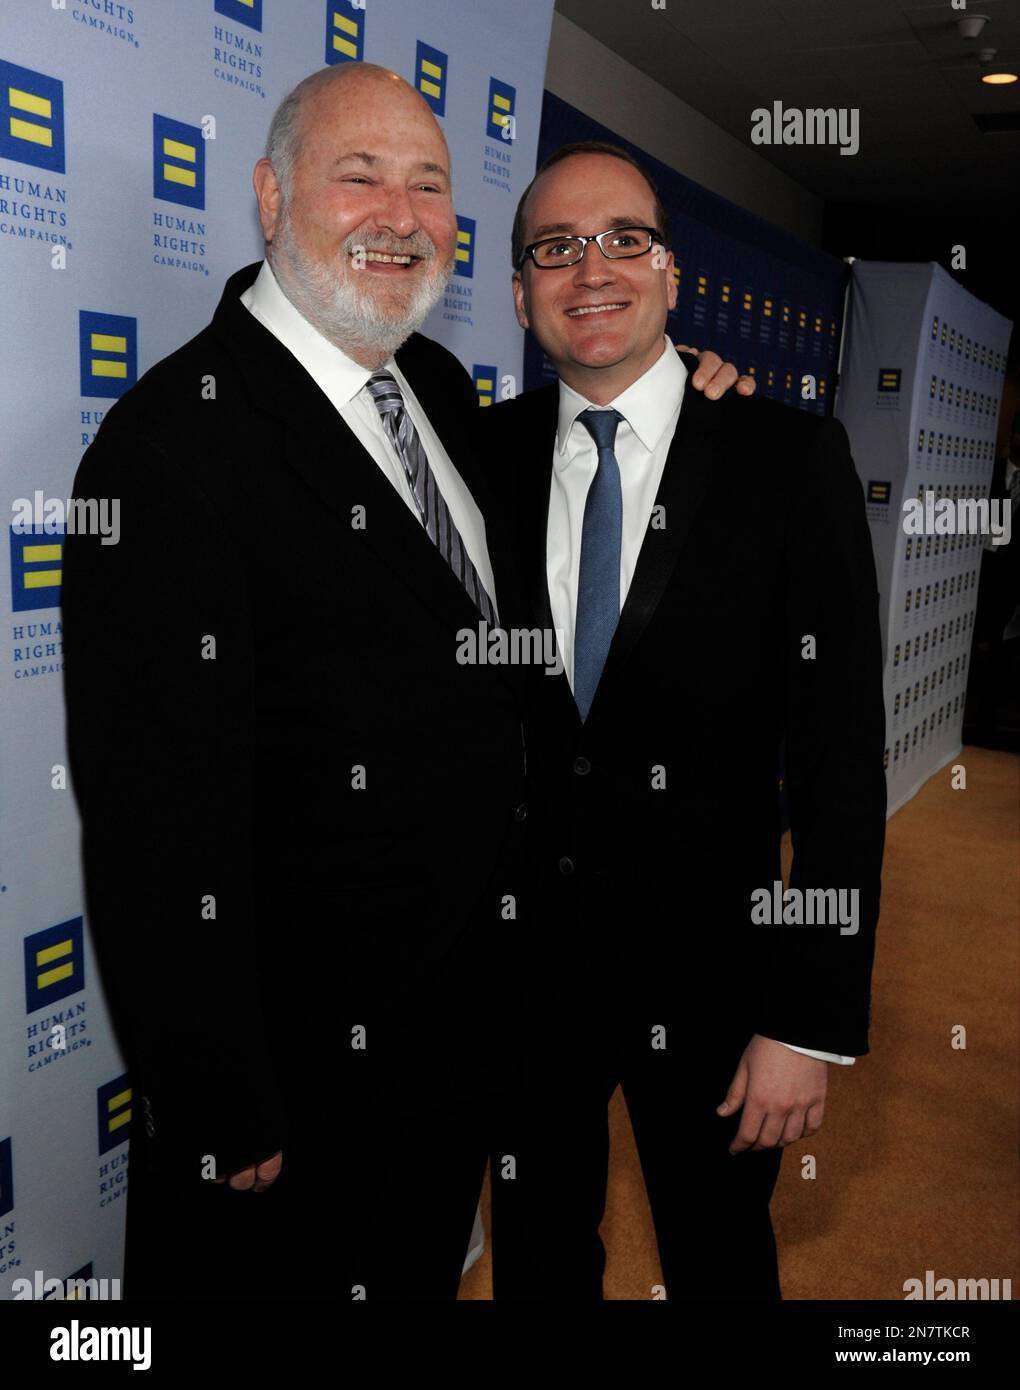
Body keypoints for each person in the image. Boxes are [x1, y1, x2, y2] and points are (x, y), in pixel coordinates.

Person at [61, 67, 747, 1300]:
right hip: (294, 1090)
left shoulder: (435, 390)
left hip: (454, 1052)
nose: (403, 211)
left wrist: (672, 382)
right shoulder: (171, 452)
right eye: (359, 173)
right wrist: (214, 1098)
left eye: (429, 183)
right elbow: (154, 820)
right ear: (271, 197)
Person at [481, 141, 888, 1300]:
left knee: (718, 1260)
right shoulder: (482, 459)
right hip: (525, 983)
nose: (590, 269)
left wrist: (808, 1019)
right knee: (537, 1257)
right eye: (554, 249)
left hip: (719, 980)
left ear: (671, 275)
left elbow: (838, 768)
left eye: (623, 241)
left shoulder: (786, 457)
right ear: (519, 293)